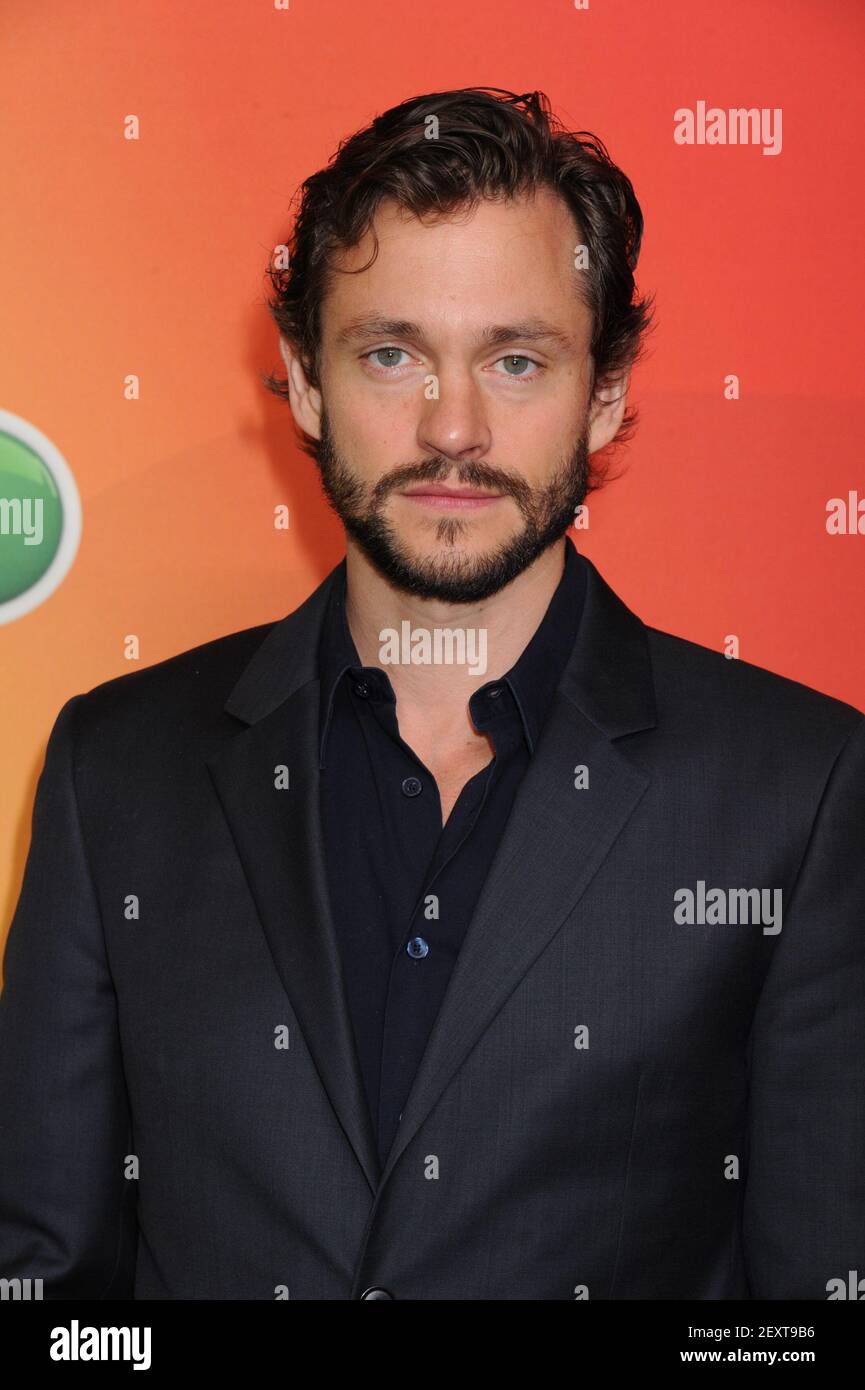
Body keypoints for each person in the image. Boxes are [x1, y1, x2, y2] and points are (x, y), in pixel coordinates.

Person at [1, 87, 862, 1301]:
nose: (451, 428)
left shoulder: (796, 791)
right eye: (391, 354)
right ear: (306, 382)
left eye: (515, 360)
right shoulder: (116, 771)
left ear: (604, 394)